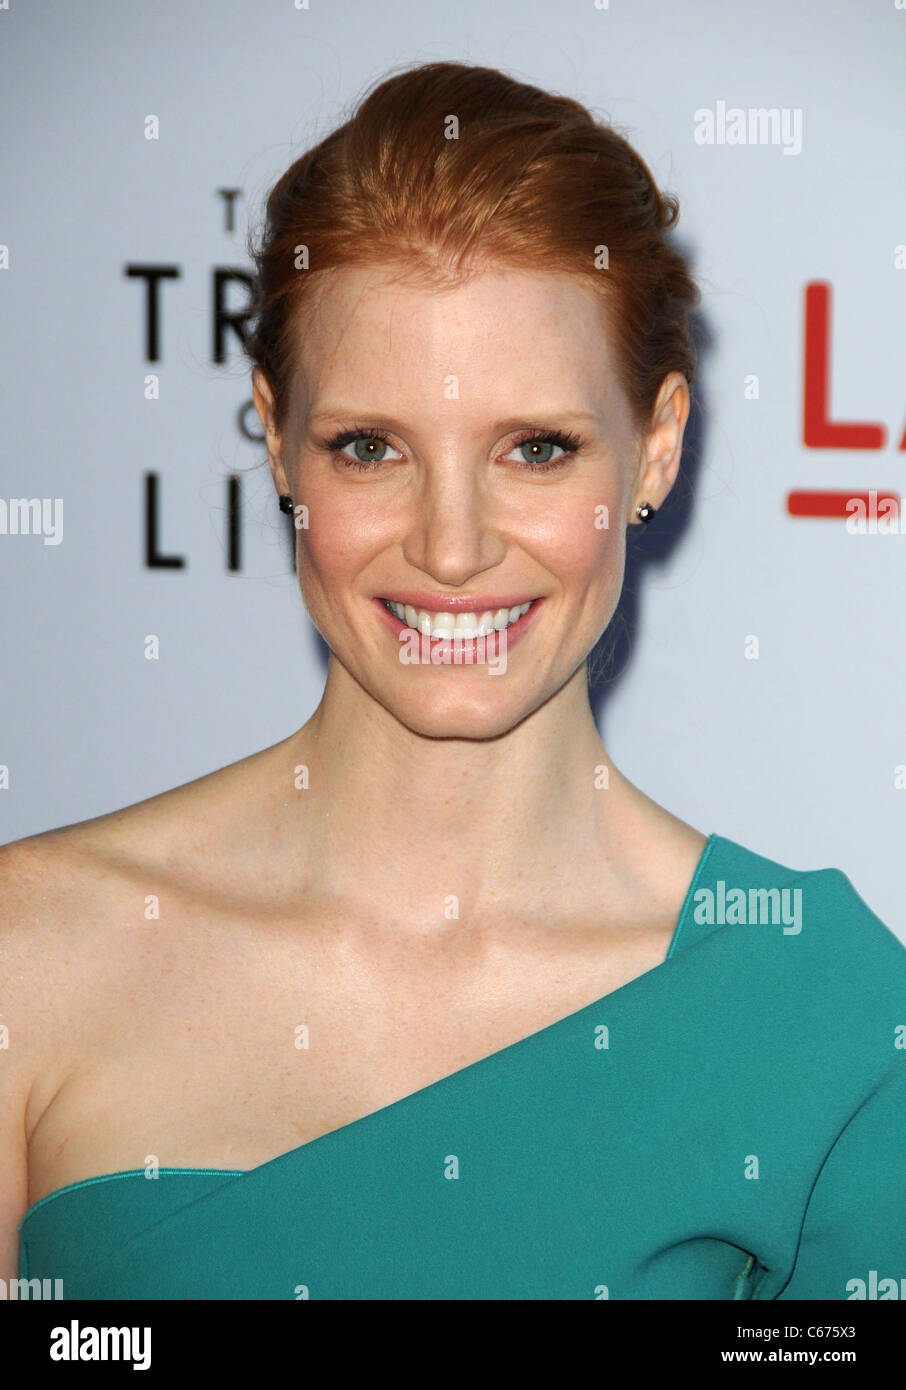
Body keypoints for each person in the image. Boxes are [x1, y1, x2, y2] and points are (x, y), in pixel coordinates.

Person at [2, 61, 904, 1301]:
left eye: (537, 449)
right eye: (368, 447)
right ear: (274, 436)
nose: (451, 546)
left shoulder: (822, 1012)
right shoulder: (32, 951)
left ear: (657, 444)